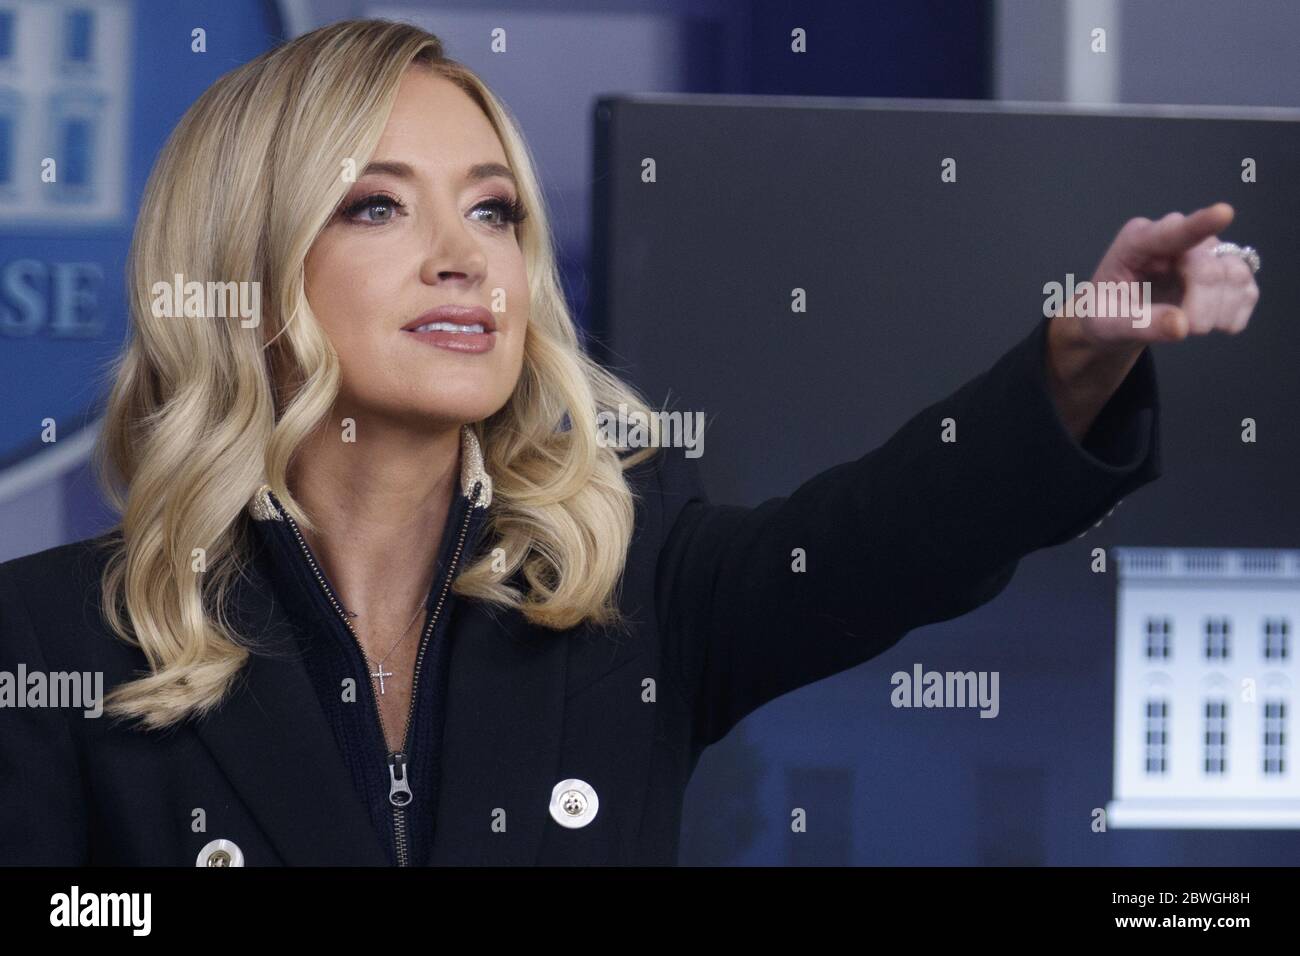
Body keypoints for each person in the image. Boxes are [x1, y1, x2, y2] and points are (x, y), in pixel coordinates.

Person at [0, 18, 1260, 866]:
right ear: (247, 269)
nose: (463, 255)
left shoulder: (630, 583)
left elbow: (892, 532)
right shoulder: (52, 638)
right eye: (377, 203)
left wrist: (1074, 359)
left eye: (493, 209)